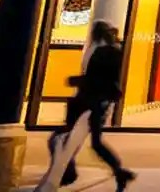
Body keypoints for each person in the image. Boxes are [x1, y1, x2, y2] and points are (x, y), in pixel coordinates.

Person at [49, 21, 136, 190]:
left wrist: (76, 81)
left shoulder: (102, 52)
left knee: (62, 137)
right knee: (93, 142)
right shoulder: (113, 51)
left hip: (90, 99)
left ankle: (70, 172)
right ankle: (118, 171)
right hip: (97, 100)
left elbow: (96, 79)